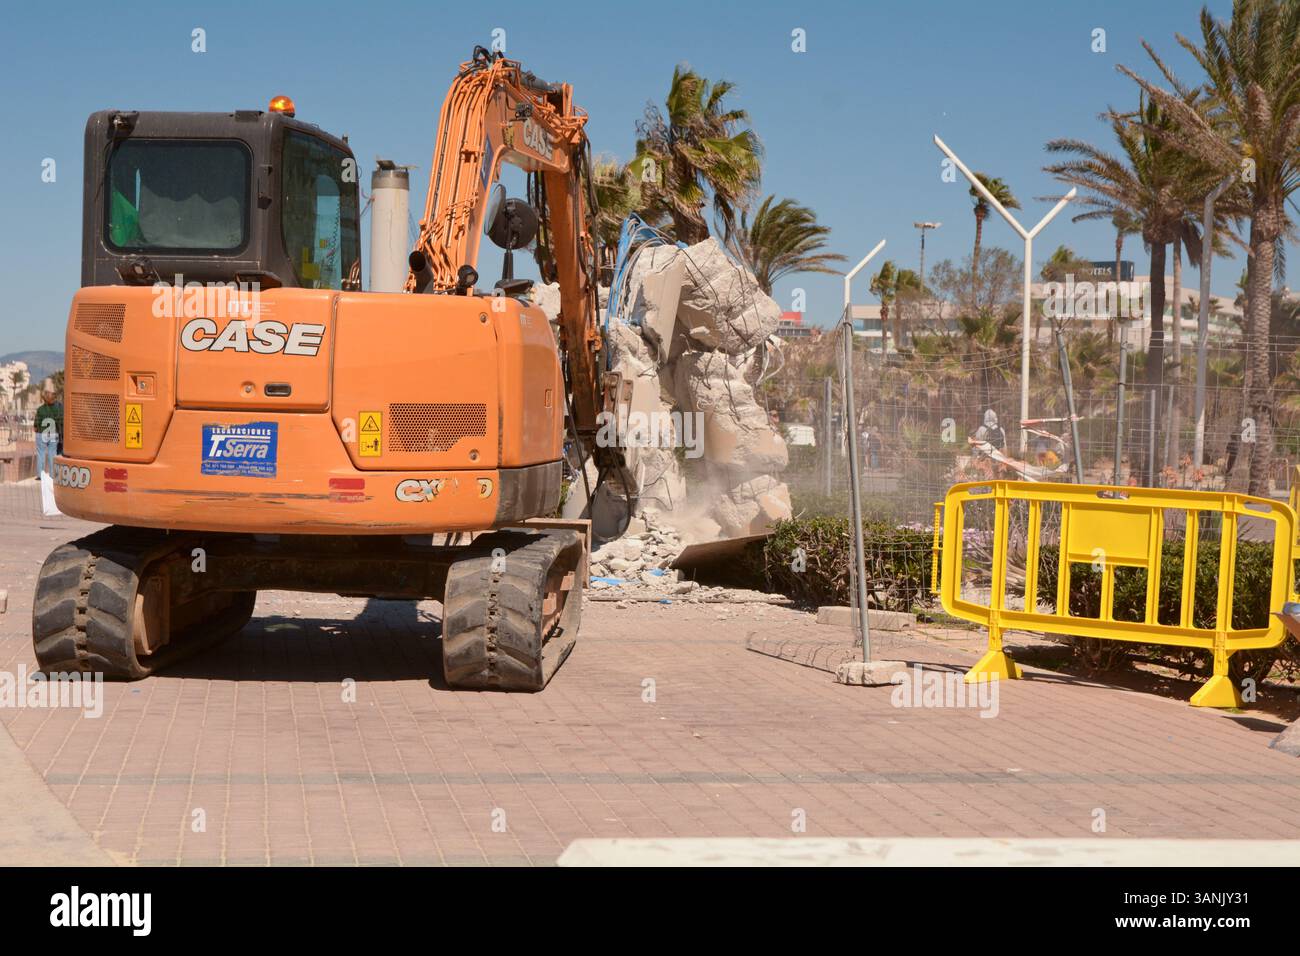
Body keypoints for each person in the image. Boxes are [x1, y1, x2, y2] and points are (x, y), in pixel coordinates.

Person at [33, 382, 63, 477]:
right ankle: (52, 474)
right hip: (53, 433)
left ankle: (40, 474)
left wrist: (37, 428)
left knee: (41, 454)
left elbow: (36, 425)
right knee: (52, 454)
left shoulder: (40, 409)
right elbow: (60, 421)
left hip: (41, 433)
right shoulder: (58, 409)